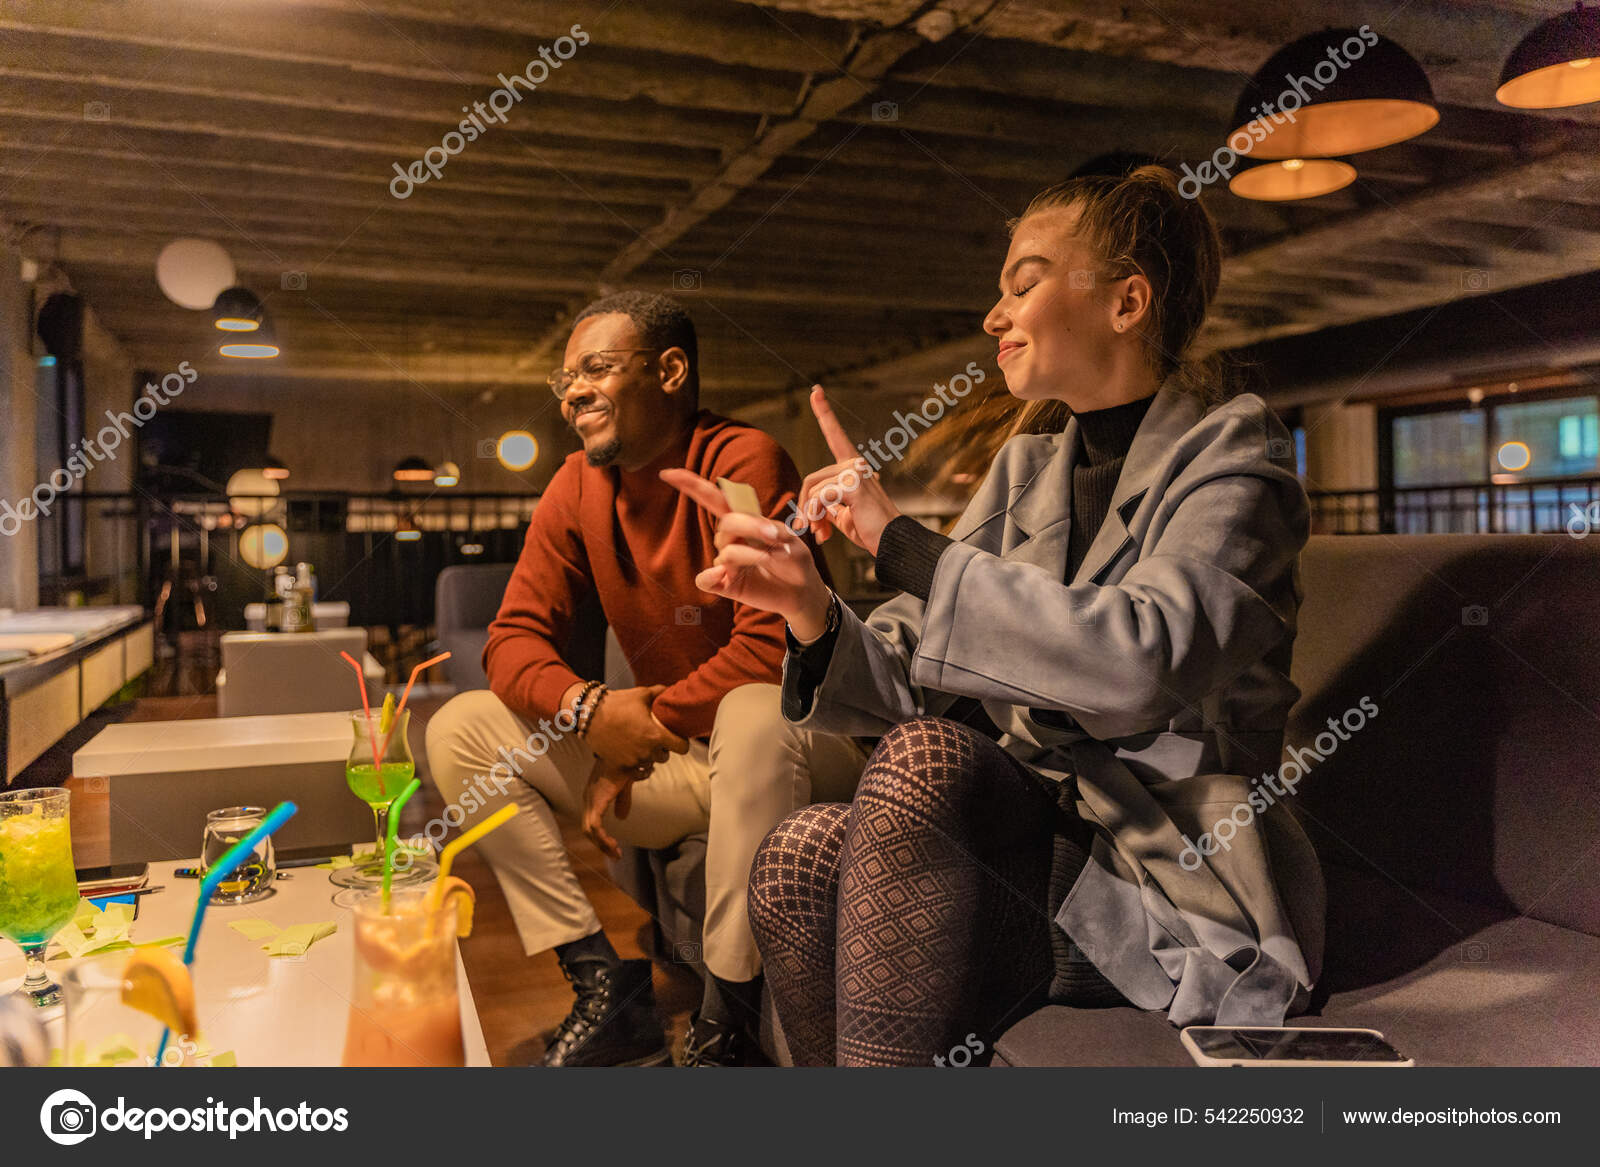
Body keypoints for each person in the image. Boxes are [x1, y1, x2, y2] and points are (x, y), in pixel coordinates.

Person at [663, 166, 1325, 1066]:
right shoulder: (1026, 471)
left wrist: (896, 539)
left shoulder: (1239, 455)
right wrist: (809, 604)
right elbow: (915, 669)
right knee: (796, 854)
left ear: (1127, 302)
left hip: (1171, 871)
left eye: (1024, 284)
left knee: (922, 759)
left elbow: (1141, 660)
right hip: (1040, 841)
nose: (993, 316)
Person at [425, 291, 863, 1067]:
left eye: (595, 369)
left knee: (752, 713)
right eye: (565, 380)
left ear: (670, 370)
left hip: (801, 745)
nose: (573, 394)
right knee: (459, 727)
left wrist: (639, 735)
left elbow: (771, 648)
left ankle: (729, 1026)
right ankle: (604, 987)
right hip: (688, 764)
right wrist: (589, 710)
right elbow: (511, 639)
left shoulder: (742, 461)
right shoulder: (574, 486)